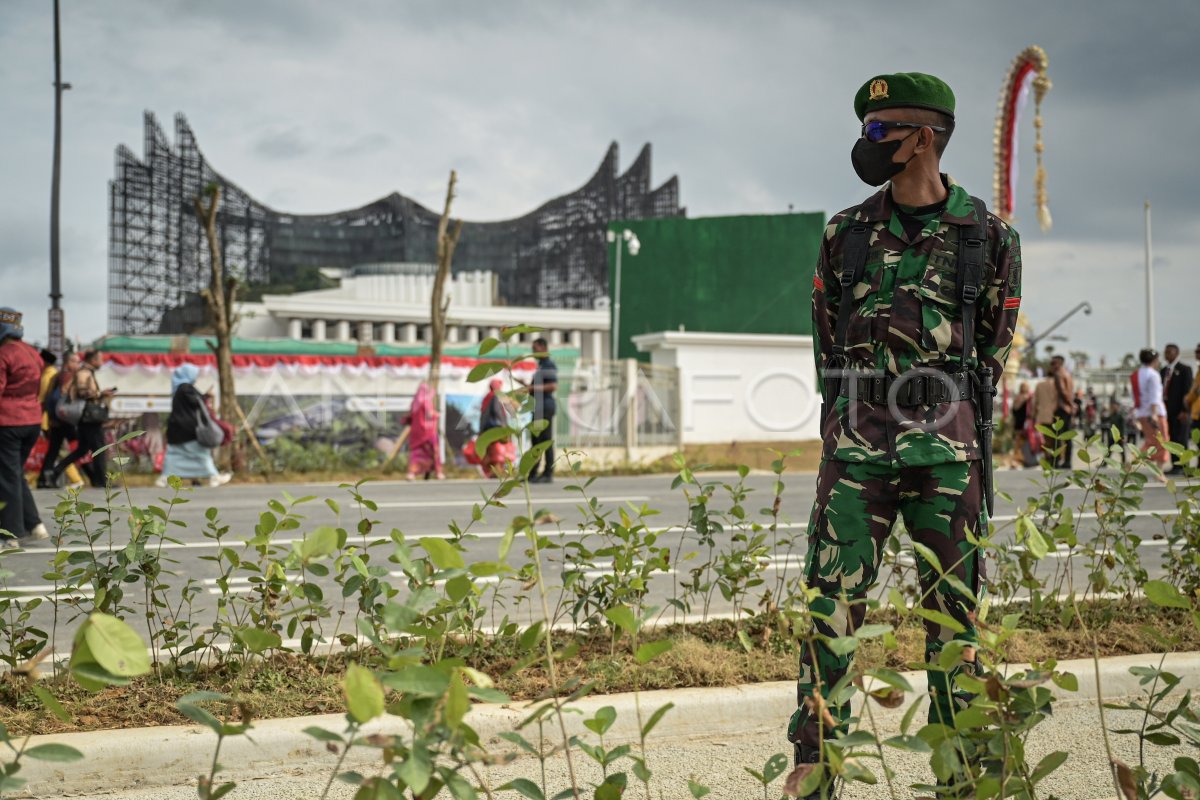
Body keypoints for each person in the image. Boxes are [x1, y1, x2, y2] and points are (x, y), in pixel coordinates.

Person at [791, 72, 1021, 795]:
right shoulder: (845, 234)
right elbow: (828, 351)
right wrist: (843, 432)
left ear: (924, 137)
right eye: (868, 128)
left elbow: (991, 353)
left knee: (955, 627)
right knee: (830, 614)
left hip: (948, 460)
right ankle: (815, 770)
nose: (868, 141)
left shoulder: (989, 239)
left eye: (881, 130)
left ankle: (962, 780)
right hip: (858, 454)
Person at [0, 308, 49, 543]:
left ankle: (11, 533)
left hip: (8, 422)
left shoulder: (3, 354)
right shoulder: (33, 353)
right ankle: (35, 524)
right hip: (32, 420)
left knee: (6, 477)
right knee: (15, 473)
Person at [156, 364, 231, 488]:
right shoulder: (186, 388)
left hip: (176, 430)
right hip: (189, 430)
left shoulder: (178, 389)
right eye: (194, 374)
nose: (196, 377)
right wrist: (206, 396)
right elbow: (196, 402)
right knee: (201, 454)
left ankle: (164, 478)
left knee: (174, 455)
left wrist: (204, 396)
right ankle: (214, 476)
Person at [47, 349, 113, 488]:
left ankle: (56, 472)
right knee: (99, 447)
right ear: (93, 360)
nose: (101, 362)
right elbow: (83, 393)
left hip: (86, 417)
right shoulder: (84, 373)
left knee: (82, 449)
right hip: (88, 417)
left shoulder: (87, 373)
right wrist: (101, 393)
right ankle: (101, 481)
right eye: (100, 359)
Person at [36, 349, 83, 489]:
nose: (78, 364)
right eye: (75, 361)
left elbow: (46, 399)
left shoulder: (54, 376)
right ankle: (56, 474)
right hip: (65, 419)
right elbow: (60, 396)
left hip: (54, 419)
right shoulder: (67, 376)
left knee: (54, 450)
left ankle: (44, 479)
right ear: (68, 362)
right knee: (83, 446)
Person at [1029, 356, 1074, 468]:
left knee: (1052, 439)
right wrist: (1072, 405)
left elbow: (1036, 402)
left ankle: (1054, 460)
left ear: (1058, 364)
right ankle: (1064, 460)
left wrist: (1033, 416)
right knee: (1064, 437)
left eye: (1053, 363)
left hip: (1052, 413)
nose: (1052, 366)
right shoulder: (1067, 375)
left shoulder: (1054, 378)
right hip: (1059, 411)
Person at [525, 337, 558, 483]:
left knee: (545, 440)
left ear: (543, 348)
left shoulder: (548, 365)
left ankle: (548, 473)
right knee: (536, 441)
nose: (533, 352)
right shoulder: (540, 366)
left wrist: (532, 388)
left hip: (545, 407)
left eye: (535, 349)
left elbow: (552, 386)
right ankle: (533, 473)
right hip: (538, 407)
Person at [1135, 348, 1170, 480]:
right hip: (1154, 413)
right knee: (1163, 441)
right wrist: (1154, 414)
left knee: (1151, 441)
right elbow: (1155, 396)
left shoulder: (1137, 374)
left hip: (1142, 412)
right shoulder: (1153, 375)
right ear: (1155, 360)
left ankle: (1133, 462)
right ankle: (1159, 471)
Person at [1161, 343, 1194, 474]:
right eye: (1166, 352)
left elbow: (1188, 391)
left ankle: (1184, 466)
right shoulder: (1164, 371)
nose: (1166, 354)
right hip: (1167, 411)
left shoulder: (1185, 369)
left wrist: (1185, 411)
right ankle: (1175, 465)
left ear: (1176, 353)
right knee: (1172, 439)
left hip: (1180, 411)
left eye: (1169, 352)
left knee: (1181, 439)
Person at [403, 382, 444, 481]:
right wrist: (437, 414)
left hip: (416, 433)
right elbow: (430, 414)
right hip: (428, 432)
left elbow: (410, 416)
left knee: (416, 453)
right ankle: (438, 473)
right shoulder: (426, 401)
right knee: (433, 451)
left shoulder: (414, 403)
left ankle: (411, 473)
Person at [477, 378, 515, 478]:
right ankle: (498, 471)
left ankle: (492, 471)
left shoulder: (486, 397)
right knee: (498, 449)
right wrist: (504, 427)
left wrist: (481, 431)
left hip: (486, 429)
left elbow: (483, 415)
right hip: (496, 429)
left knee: (491, 450)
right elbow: (497, 411)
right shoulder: (495, 396)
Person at [1007, 381, 1033, 469]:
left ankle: (1017, 461)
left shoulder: (1016, 398)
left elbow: (1013, 412)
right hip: (1024, 425)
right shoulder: (1028, 398)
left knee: (1017, 444)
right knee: (1024, 444)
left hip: (1017, 424)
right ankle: (1020, 460)